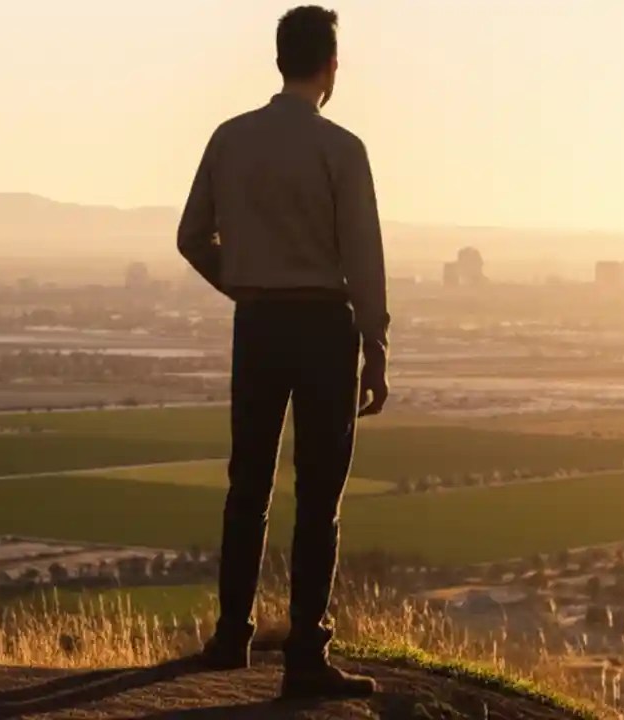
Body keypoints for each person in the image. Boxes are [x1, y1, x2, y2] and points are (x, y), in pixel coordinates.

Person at [176, 5, 388, 701]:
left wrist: (240, 282)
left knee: (249, 486)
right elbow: (364, 258)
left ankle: (230, 635)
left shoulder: (230, 138)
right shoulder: (342, 149)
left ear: (278, 62)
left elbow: (190, 236)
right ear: (331, 68)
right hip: (326, 328)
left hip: (258, 322)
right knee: (319, 495)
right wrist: (375, 343)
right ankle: (305, 654)